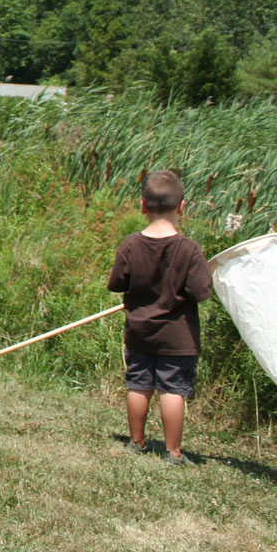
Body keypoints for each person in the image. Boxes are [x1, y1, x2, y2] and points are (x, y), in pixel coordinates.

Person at [108, 170, 213, 464]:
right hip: (178, 337)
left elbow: (117, 283)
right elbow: (201, 292)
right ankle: (173, 452)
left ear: (143, 205)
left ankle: (136, 441)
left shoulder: (130, 244)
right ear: (182, 206)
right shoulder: (190, 249)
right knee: (172, 390)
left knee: (138, 384)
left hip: (140, 331)